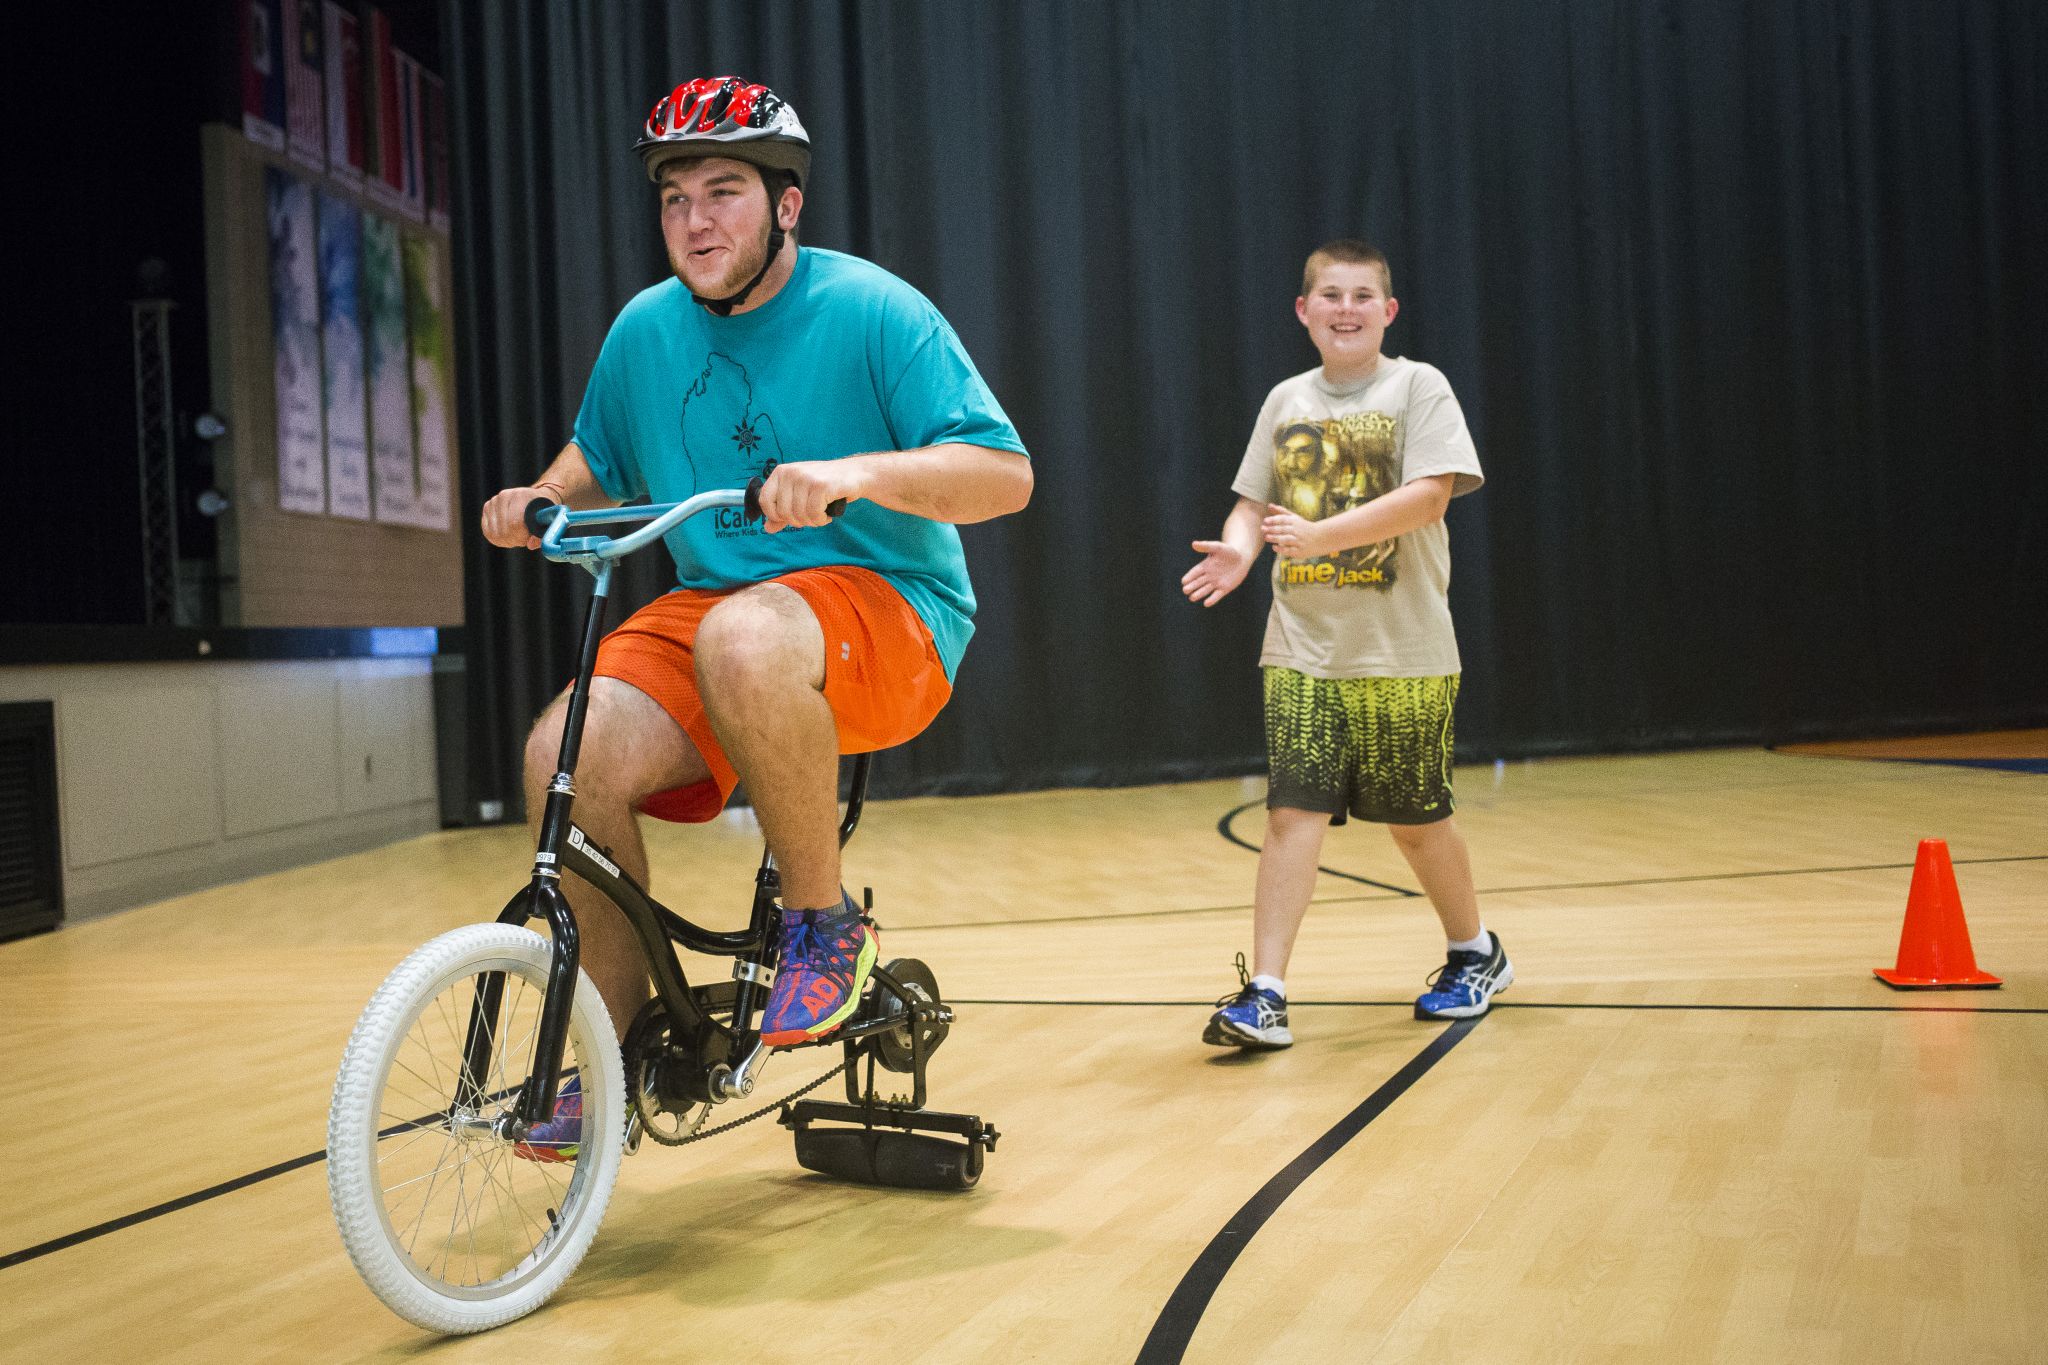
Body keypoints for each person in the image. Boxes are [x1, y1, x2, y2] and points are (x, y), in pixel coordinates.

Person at [480, 76, 1032, 1157]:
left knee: (742, 634)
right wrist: (540, 497)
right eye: (674, 197)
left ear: (786, 205)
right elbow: (598, 457)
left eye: (723, 190)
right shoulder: (645, 329)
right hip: (719, 606)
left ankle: (826, 928)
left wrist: (856, 476)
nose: (694, 219)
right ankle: (622, 1052)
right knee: (563, 749)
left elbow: (1002, 475)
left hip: (888, 608)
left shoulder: (873, 308)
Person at [1181, 239, 1508, 1049]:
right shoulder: (1286, 399)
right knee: (1293, 814)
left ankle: (1475, 952)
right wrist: (1241, 549)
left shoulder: (1418, 386)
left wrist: (1321, 535)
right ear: (1305, 311)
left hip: (1405, 652)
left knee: (1417, 821)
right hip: (1300, 646)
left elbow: (1429, 498)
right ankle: (1266, 992)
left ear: (1388, 311)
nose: (1347, 308)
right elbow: (1253, 504)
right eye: (1331, 295)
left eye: (1364, 295)